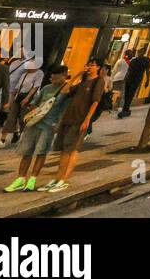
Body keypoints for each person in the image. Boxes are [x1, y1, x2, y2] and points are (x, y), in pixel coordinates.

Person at [2, 65, 70, 194]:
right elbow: (35, 102)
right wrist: (32, 107)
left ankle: (32, 179)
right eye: (52, 77)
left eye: (57, 77)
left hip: (49, 125)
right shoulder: (46, 88)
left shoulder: (67, 91)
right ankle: (20, 179)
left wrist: (59, 124)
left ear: (64, 75)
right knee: (26, 152)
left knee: (41, 152)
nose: (53, 79)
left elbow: (65, 109)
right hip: (34, 123)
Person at [42, 58, 105, 193]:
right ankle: (58, 178)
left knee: (70, 150)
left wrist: (87, 119)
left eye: (93, 65)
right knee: (63, 150)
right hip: (68, 118)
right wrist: (77, 75)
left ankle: (63, 180)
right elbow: (65, 91)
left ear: (99, 67)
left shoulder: (98, 81)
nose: (90, 67)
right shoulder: (83, 82)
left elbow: (95, 101)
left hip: (80, 119)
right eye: (89, 64)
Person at [120, 47, 149, 118]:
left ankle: (125, 109)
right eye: (139, 52)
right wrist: (126, 78)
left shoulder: (146, 60)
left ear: (144, 52)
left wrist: (148, 80)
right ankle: (125, 109)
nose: (139, 53)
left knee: (130, 94)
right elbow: (129, 70)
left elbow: (147, 70)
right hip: (130, 79)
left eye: (141, 52)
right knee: (127, 94)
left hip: (136, 80)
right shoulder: (134, 60)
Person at [109, 50, 130, 115]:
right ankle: (119, 107)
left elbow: (114, 70)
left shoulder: (120, 61)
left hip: (117, 78)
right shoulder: (130, 62)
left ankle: (112, 106)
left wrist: (111, 79)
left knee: (115, 93)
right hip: (124, 79)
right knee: (121, 93)